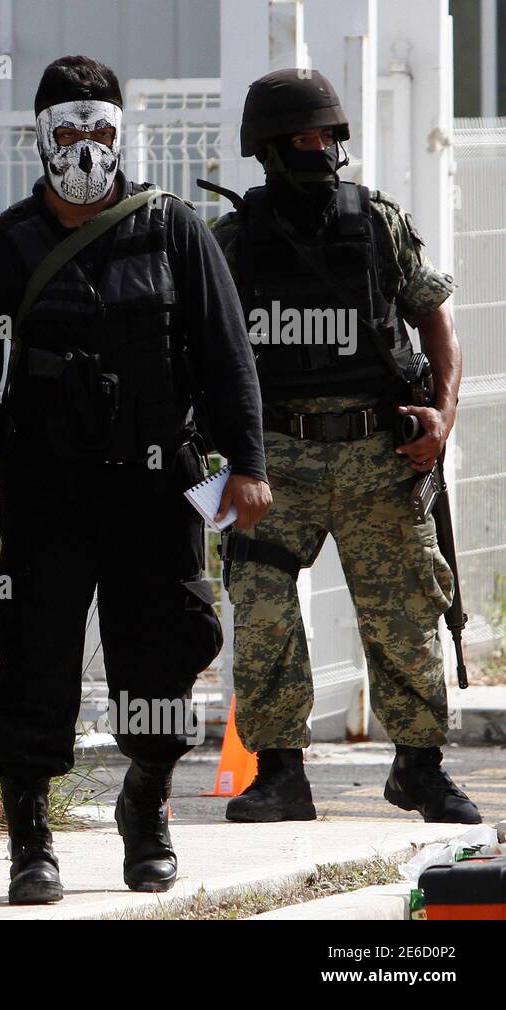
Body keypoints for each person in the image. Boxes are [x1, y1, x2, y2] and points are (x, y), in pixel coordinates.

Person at [0, 55, 270, 905]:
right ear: (41, 135)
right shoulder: (2, 250)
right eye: (68, 131)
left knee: (161, 662)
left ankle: (145, 809)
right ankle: (30, 842)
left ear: (123, 135)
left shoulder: (173, 231)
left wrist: (249, 468)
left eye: (100, 130)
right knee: (32, 668)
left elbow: (228, 360)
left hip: (157, 494)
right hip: (45, 499)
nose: (84, 146)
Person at [211, 69, 480, 825]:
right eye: (302, 138)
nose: (319, 150)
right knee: (262, 610)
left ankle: (420, 769)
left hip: (376, 455)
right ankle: (278, 774)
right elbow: (197, 345)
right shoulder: (232, 243)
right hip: (275, 460)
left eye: (329, 136)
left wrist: (443, 416)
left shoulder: (378, 224)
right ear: (266, 149)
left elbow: (437, 322)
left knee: (405, 611)